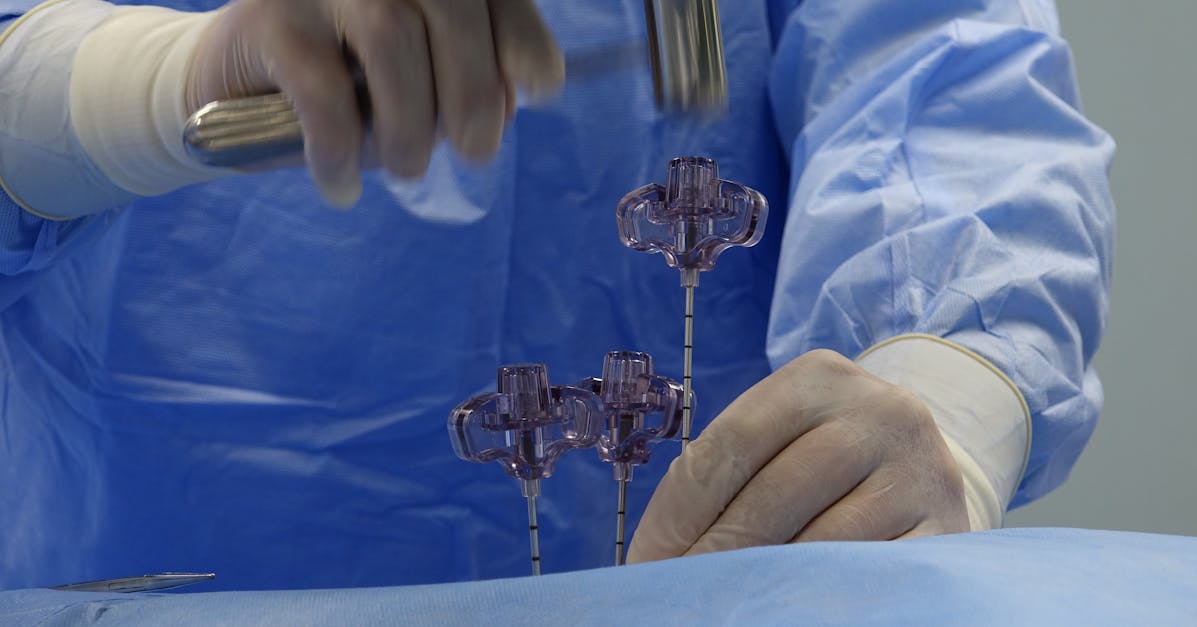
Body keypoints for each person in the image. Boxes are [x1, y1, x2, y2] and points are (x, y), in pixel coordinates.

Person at [0, 0, 1113, 589]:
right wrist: (142, 88)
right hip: (144, 555)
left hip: (709, 585)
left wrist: (945, 381)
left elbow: (946, 87)